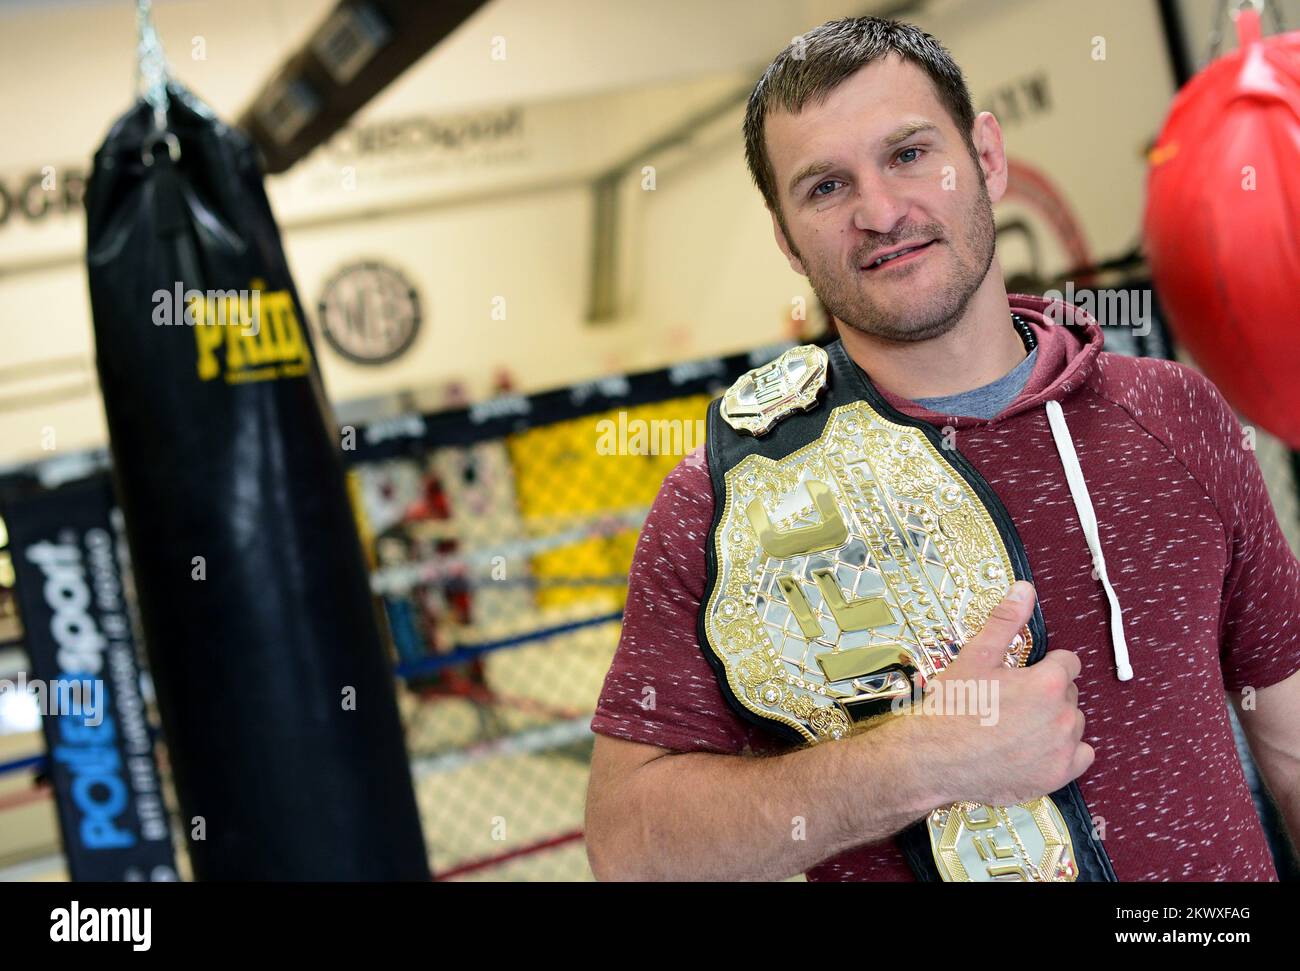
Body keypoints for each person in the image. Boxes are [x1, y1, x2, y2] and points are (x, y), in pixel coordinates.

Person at [583, 16, 1300, 881]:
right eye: (824, 187)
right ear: (786, 238)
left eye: (911, 153)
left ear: (988, 157)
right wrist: (925, 758)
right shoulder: (727, 496)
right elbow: (629, 850)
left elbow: (1289, 733)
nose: (880, 212)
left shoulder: (1175, 415)